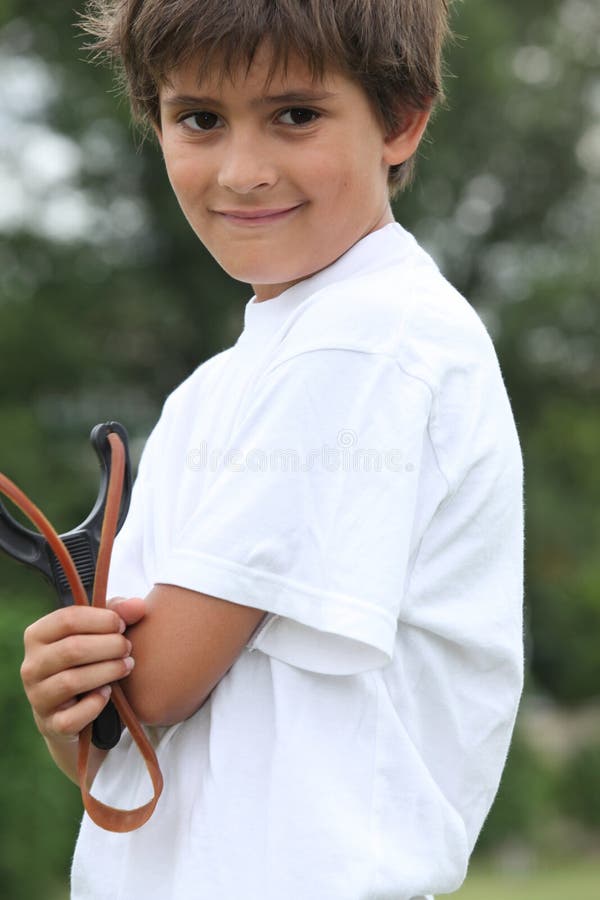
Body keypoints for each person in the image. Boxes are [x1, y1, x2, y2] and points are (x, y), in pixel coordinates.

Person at [20, 2, 525, 898]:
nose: (243, 172)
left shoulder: (367, 341)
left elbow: (158, 688)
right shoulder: (223, 383)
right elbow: (123, 755)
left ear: (401, 119)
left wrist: (114, 688)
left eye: (295, 115)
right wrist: (72, 703)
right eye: (200, 119)